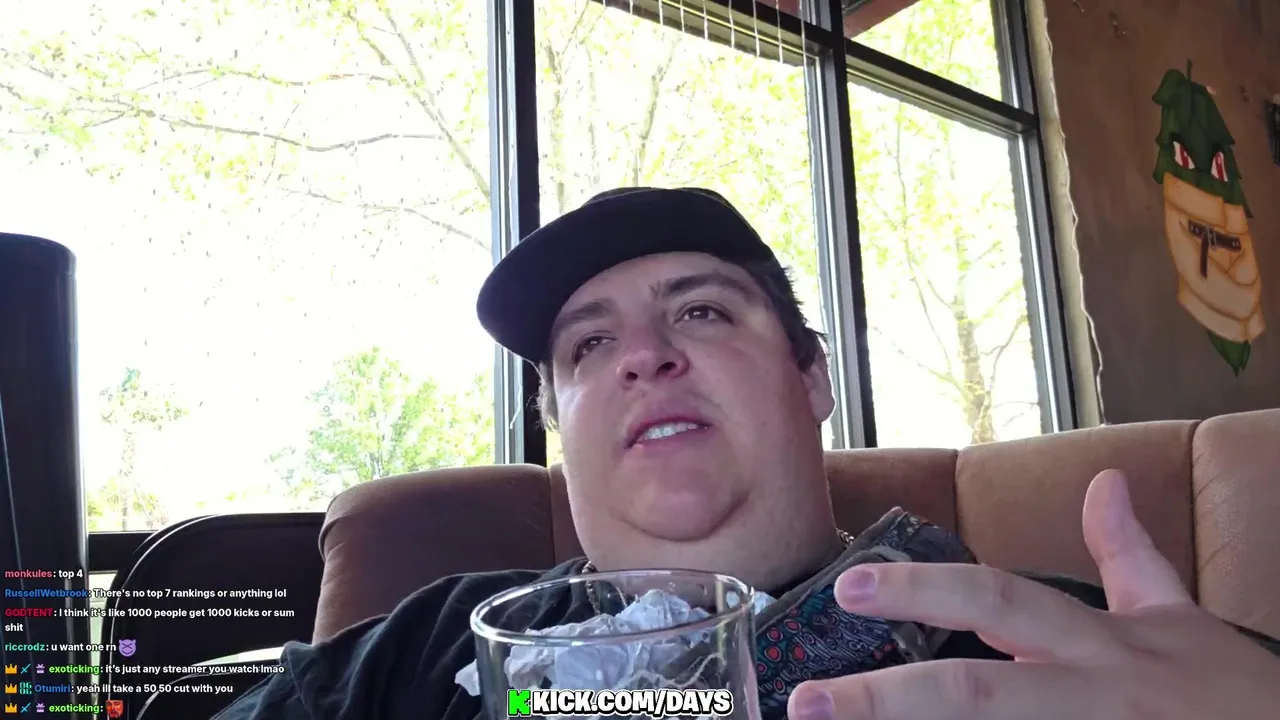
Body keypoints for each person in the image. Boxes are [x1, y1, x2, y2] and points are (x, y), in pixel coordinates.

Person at [214, 187, 1280, 720]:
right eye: (588, 346)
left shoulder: (1060, 657)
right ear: (557, 424)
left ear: (811, 378)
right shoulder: (423, 648)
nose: (644, 355)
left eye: (703, 312)